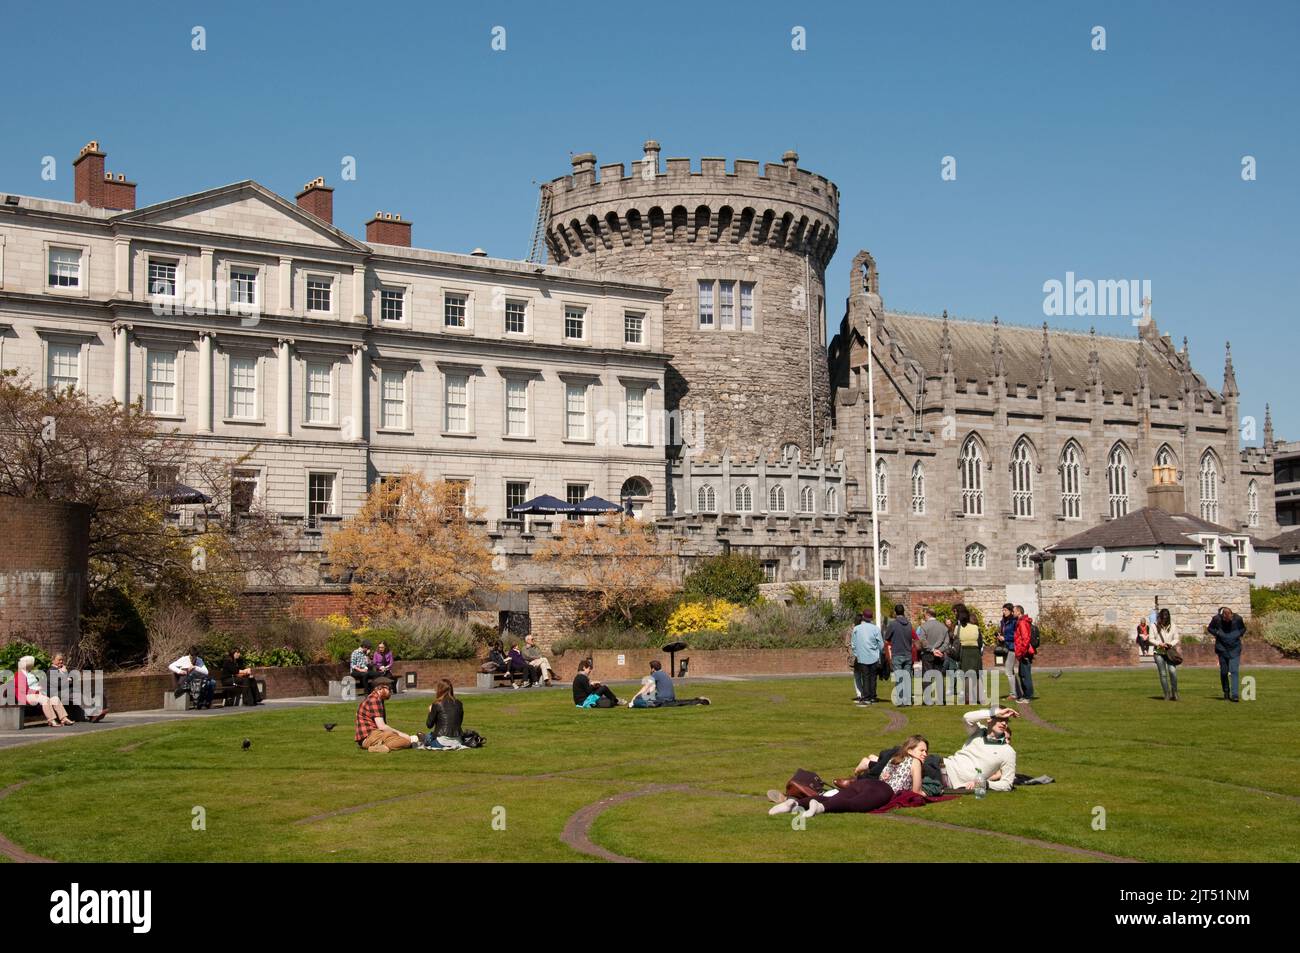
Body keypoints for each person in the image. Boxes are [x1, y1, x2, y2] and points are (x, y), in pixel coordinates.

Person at [940, 707, 1020, 792]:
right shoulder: (978, 731)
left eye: (1006, 720)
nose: (1004, 723)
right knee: (927, 762)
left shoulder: (1008, 752)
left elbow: (1007, 784)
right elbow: (967, 717)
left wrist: (984, 783)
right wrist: (994, 712)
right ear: (989, 719)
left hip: (955, 782)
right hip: (943, 765)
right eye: (1000, 719)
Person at [354, 679, 416, 752]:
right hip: (370, 736)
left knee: (402, 739)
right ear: (380, 688)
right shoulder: (374, 700)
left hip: (372, 735)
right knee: (406, 742)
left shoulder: (375, 698)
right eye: (389, 688)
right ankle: (377, 748)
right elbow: (382, 726)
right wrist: (401, 734)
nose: (391, 691)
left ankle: (380, 745)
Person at [15, 656, 73, 727]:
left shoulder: (30, 674)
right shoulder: (20, 674)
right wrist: (37, 691)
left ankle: (63, 718)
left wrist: (41, 688)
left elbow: (36, 684)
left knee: (55, 699)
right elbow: (23, 690)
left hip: (37, 694)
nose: (33, 665)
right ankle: (51, 720)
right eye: (32, 663)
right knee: (44, 699)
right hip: (26, 696)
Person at [48, 654, 107, 722]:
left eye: (62, 660)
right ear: (53, 661)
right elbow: (58, 684)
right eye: (59, 660)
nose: (61, 661)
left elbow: (72, 679)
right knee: (77, 696)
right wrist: (67, 678)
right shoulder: (52, 670)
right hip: (56, 693)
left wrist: (67, 677)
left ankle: (93, 714)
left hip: (66, 691)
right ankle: (93, 713)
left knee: (82, 695)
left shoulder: (62, 669)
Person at [1208, 606, 1246, 702]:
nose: (1228, 621)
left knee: (1234, 671)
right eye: (1226, 620)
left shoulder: (1238, 619)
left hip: (1235, 648)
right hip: (1222, 649)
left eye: (1230, 619)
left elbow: (1243, 629)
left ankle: (1235, 695)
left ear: (1232, 616)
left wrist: (1237, 634)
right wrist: (1217, 633)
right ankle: (1226, 692)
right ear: (1222, 617)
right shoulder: (1216, 619)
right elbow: (1210, 628)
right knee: (1224, 672)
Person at [849, 609, 883, 705]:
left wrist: (857, 654)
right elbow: (880, 644)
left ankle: (866, 696)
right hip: (874, 656)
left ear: (863, 617)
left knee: (865, 677)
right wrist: (879, 653)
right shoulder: (875, 629)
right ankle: (872, 696)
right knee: (873, 677)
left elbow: (853, 644)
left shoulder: (857, 629)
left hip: (862, 656)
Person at [423, 678, 465, 749]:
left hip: (441, 741)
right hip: (458, 740)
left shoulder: (437, 704)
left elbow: (429, 725)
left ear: (440, 690)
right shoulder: (459, 703)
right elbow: (459, 722)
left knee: (427, 736)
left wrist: (430, 711)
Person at [885, 604, 914, 701]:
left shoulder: (893, 624)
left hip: (897, 653)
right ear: (903, 612)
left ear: (895, 612)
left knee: (899, 678)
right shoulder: (909, 624)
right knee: (907, 678)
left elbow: (886, 638)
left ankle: (901, 699)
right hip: (908, 653)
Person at [1152, 608, 1181, 701]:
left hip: (1169, 651)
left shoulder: (1173, 626)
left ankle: (1175, 692)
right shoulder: (1154, 626)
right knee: (1163, 674)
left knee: (1172, 671)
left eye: (1166, 618)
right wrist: (1160, 644)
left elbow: (1176, 638)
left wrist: (1170, 644)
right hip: (1159, 651)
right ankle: (1166, 694)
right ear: (1160, 617)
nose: (1165, 619)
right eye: (1163, 617)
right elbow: (1151, 639)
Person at [1013, 605, 1036, 702]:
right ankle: (1025, 695)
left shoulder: (1022, 623)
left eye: (1014, 611)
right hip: (1021, 652)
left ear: (1019, 612)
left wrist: (1022, 651)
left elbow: (1025, 639)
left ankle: (1028, 696)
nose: (1013, 612)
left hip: (1024, 653)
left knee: (1026, 675)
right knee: (1022, 674)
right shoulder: (1020, 622)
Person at [998, 603, 1020, 700]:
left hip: (1012, 648)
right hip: (1005, 648)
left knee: (1008, 671)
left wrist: (1005, 638)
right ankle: (1016, 692)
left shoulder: (1014, 621)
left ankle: (1013, 694)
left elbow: (1016, 635)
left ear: (1011, 611)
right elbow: (1003, 633)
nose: (1003, 612)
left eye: (1005, 610)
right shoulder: (1003, 621)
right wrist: (999, 636)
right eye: (1003, 610)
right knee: (1010, 671)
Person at [956, 605, 982, 675]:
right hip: (975, 652)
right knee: (976, 675)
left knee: (966, 675)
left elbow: (956, 640)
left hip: (963, 652)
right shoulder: (976, 628)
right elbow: (980, 643)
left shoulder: (959, 628)